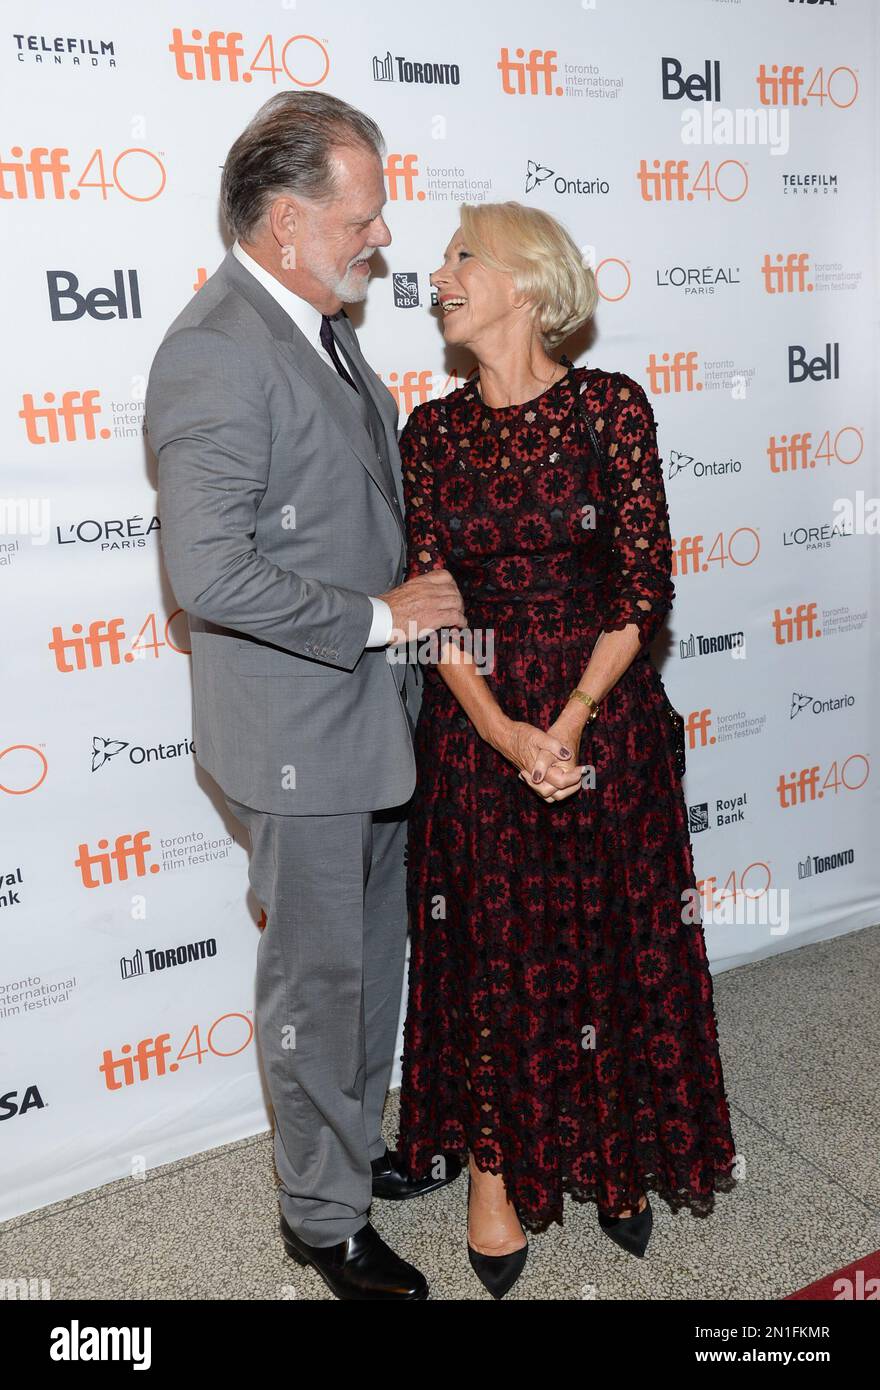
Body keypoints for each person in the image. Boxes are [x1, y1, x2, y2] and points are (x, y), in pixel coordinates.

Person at [145, 91, 465, 1302]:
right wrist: (384, 617)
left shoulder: (312, 320)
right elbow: (211, 573)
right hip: (299, 733)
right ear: (289, 221)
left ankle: (351, 1145)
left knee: (367, 959)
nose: (382, 240)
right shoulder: (219, 348)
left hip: (366, 721)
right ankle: (320, 1220)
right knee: (319, 980)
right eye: (364, 216)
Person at [394, 202, 738, 1298]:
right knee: (496, 948)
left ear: (528, 284)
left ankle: (616, 1154)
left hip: (605, 711)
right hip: (476, 718)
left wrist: (574, 716)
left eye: (459, 258)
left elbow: (643, 589)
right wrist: (500, 730)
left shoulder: (608, 409)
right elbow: (433, 602)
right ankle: (493, 1172)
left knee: (610, 934)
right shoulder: (430, 433)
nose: (436, 275)